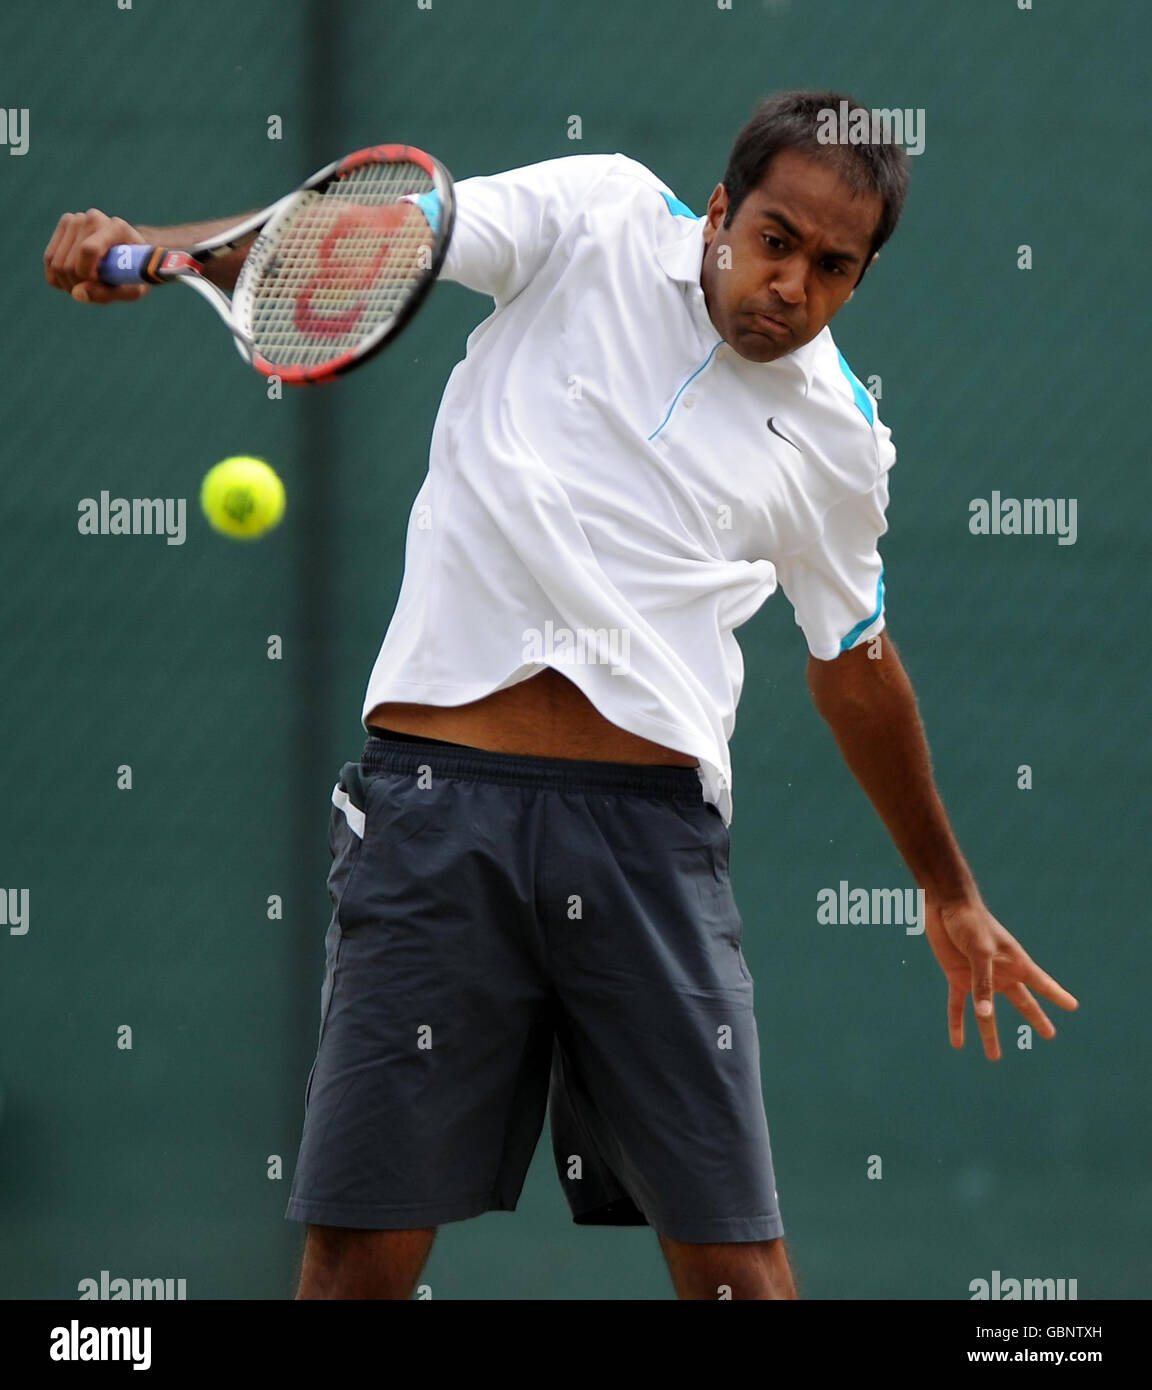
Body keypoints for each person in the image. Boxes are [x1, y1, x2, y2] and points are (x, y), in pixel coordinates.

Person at [43, 89, 1077, 1302]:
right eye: (775, 239)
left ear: (862, 277)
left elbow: (854, 663)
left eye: (833, 265)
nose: (791, 283)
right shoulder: (591, 215)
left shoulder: (841, 442)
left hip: (648, 844)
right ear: (718, 214)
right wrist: (167, 251)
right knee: (356, 1259)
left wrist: (948, 891)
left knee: (740, 1270)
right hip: (436, 815)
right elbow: (387, 239)